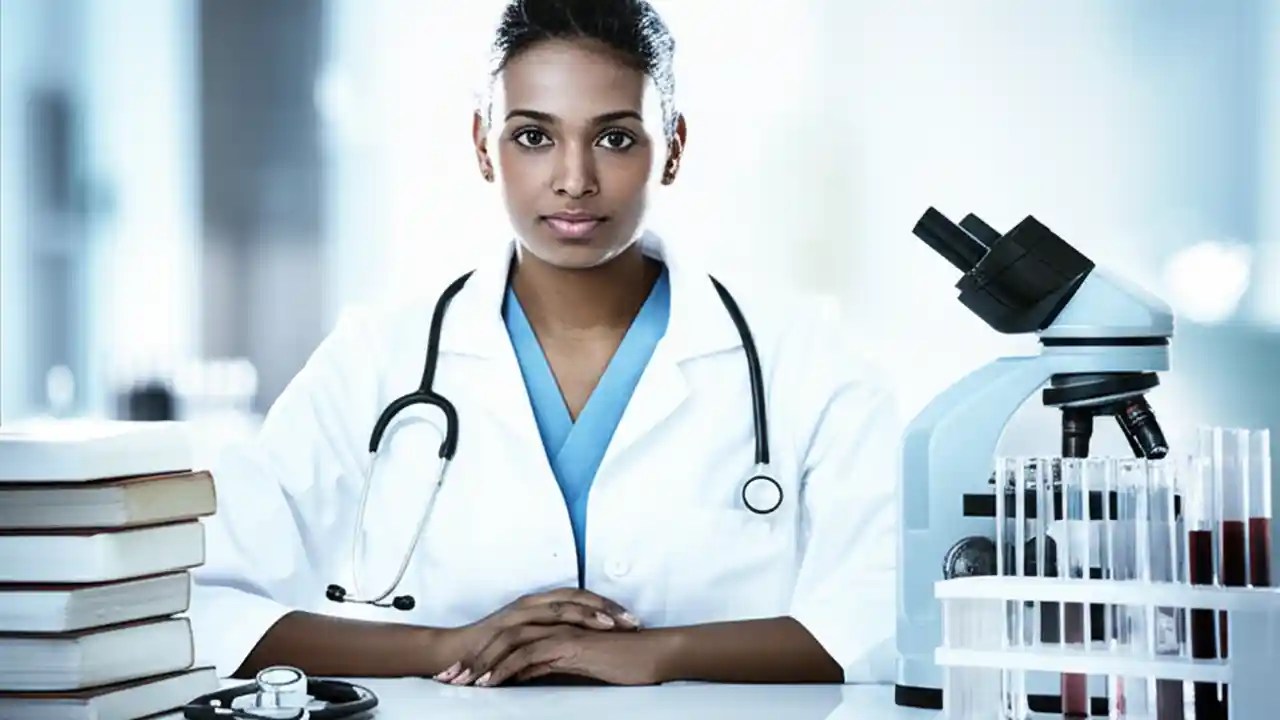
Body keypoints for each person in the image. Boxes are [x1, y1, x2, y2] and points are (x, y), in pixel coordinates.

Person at [190, 0, 899, 688]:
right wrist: (445, 644)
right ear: (482, 146)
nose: (573, 179)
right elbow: (210, 602)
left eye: (615, 137)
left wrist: (666, 653)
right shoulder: (376, 359)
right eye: (534, 136)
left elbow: (890, 613)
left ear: (673, 148)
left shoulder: (801, 360)